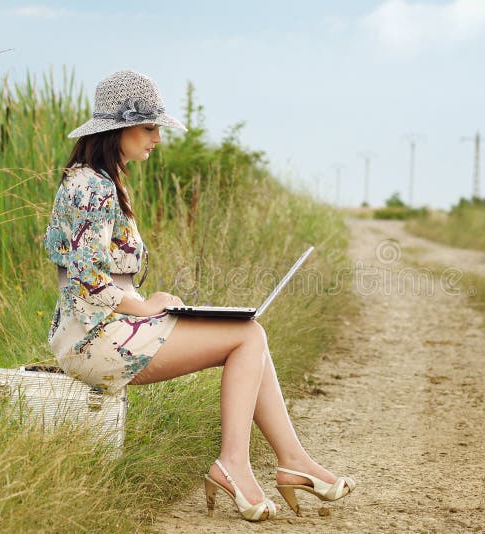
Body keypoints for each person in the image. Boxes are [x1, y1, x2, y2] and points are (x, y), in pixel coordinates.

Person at [43, 70, 354, 522]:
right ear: (118, 128)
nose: (157, 138)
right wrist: (145, 307)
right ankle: (236, 465)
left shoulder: (104, 182)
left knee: (250, 334)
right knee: (246, 336)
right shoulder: (90, 185)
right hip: (93, 341)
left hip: (105, 329)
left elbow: (102, 275)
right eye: (149, 127)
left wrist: (148, 300)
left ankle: (293, 462)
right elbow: (88, 281)